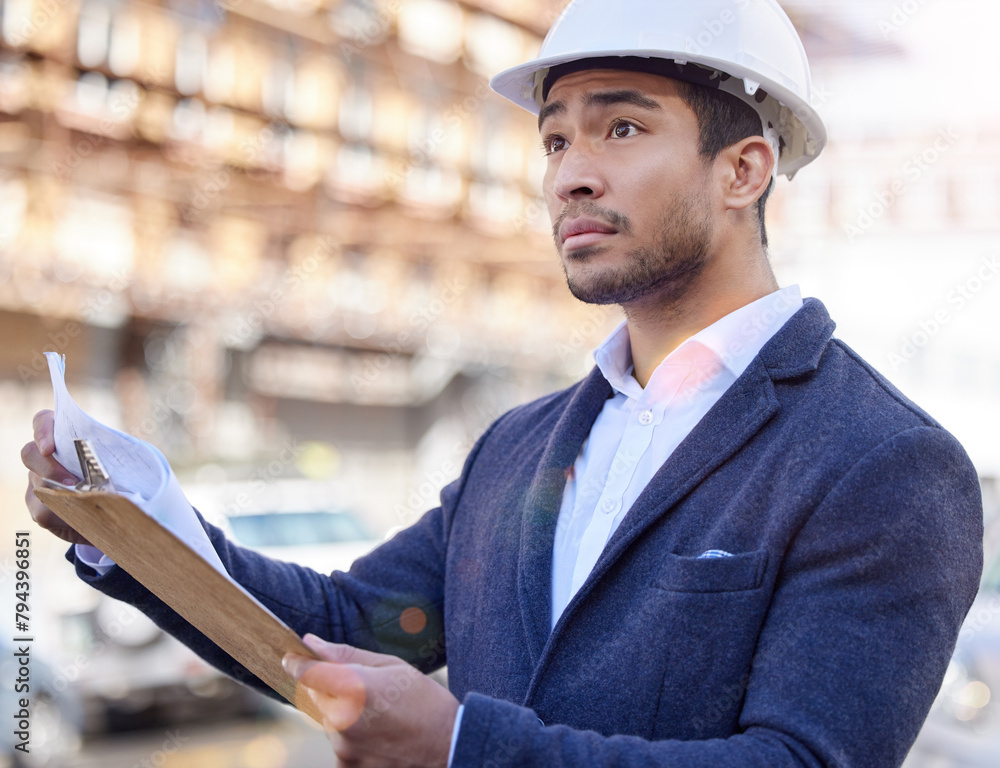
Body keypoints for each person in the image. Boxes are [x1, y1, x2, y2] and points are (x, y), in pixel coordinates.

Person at [23, 1, 984, 766]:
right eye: (556, 141)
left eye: (620, 127)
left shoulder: (883, 465)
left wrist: (460, 748)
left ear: (743, 171)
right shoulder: (517, 449)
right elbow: (346, 630)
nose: (569, 176)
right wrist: (132, 517)